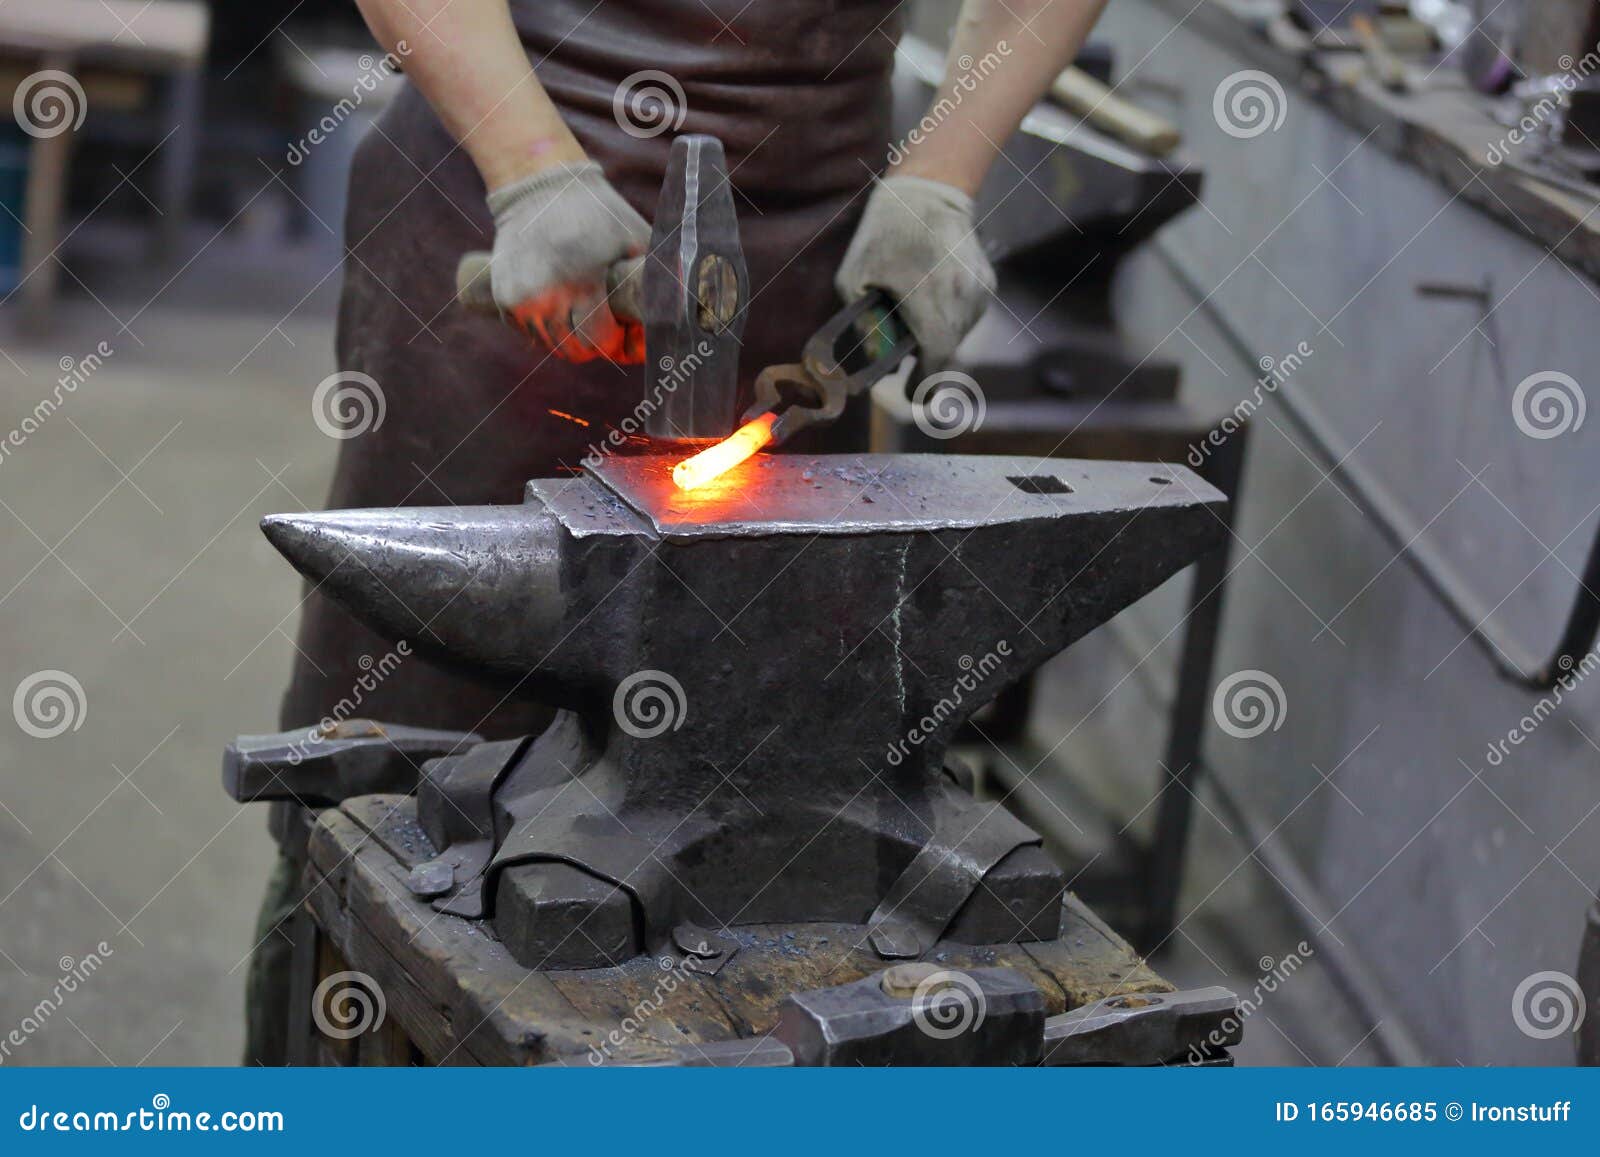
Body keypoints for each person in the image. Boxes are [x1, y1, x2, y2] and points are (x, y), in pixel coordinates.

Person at [248, 0, 1110, 1064]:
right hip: (503, 181)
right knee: (400, 765)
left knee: (757, 737)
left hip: (817, 245)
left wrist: (942, 179)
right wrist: (531, 170)